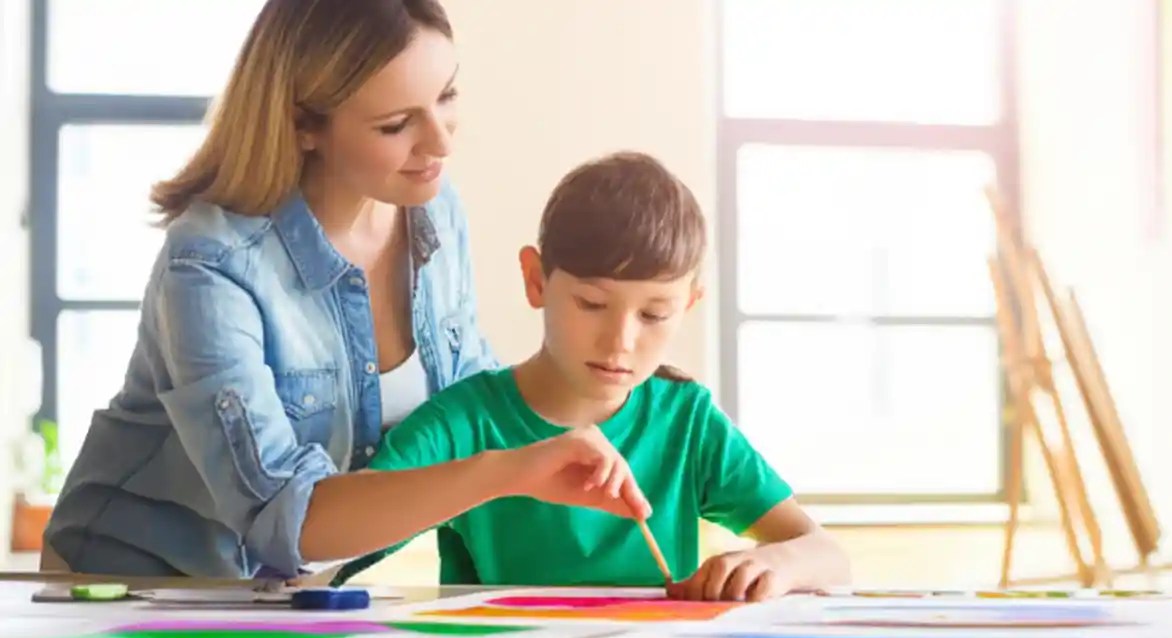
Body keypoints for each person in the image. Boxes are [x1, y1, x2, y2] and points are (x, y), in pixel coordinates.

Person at [43, 0, 651, 579]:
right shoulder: (211, 263)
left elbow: (470, 398)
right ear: (306, 126)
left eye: (447, 96)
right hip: (134, 583)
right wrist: (504, 471)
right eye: (396, 124)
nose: (441, 142)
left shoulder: (435, 215)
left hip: (285, 592)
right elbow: (283, 516)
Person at [333, 152, 851, 601]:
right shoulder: (466, 420)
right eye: (592, 303)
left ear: (689, 304)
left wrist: (777, 566)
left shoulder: (686, 420)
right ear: (536, 281)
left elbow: (828, 557)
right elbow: (331, 543)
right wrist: (500, 472)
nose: (620, 341)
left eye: (654, 315)